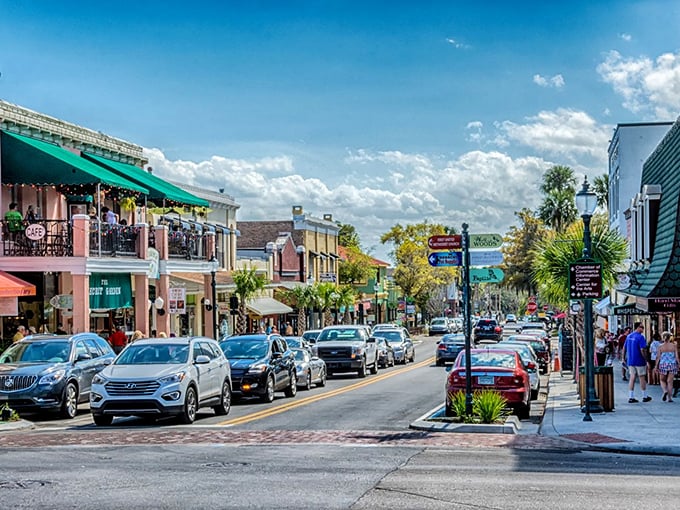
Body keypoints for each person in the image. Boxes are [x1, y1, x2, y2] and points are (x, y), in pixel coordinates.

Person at [624, 322, 652, 403]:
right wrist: (646, 360)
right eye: (641, 327)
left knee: (632, 377)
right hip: (639, 360)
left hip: (631, 360)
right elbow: (642, 349)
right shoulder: (640, 337)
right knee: (642, 377)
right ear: (637, 327)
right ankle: (644, 395)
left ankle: (631, 396)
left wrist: (623, 358)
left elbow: (624, 348)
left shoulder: (629, 336)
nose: (643, 329)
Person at [655, 331, 679, 402]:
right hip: (672, 364)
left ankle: (665, 391)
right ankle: (669, 398)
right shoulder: (674, 346)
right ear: (670, 338)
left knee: (662, 380)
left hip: (663, 364)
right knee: (670, 381)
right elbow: (677, 356)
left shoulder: (660, 346)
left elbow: (658, 357)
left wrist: (656, 366)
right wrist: (679, 364)